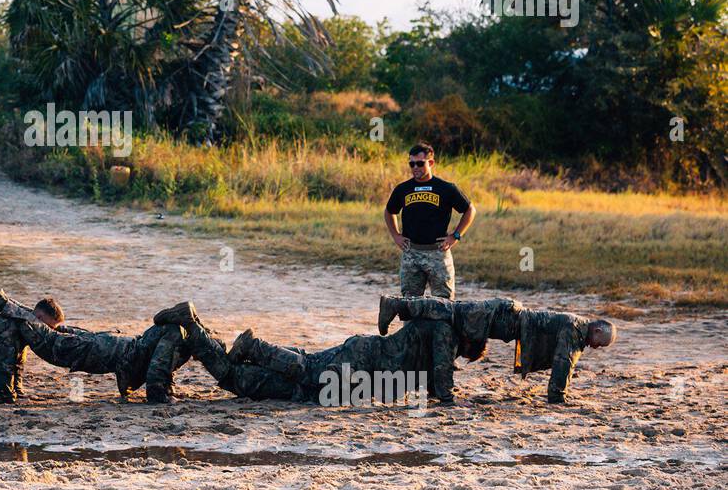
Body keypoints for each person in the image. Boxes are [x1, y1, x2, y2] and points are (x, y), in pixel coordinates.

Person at [153, 301, 471, 406]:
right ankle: (247, 344)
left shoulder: (433, 337)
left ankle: (193, 325)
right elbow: (440, 384)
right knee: (299, 370)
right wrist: (448, 398)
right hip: (356, 367)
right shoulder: (442, 341)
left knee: (306, 365)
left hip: (359, 358)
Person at [377, 295, 617, 404]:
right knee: (454, 312)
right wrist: (558, 398)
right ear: (596, 332)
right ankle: (397, 304)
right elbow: (564, 363)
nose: (596, 348)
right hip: (504, 316)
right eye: (599, 343)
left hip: (505, 317)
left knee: (455, 313)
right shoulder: (575, 329)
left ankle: (400, 305)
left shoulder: (576, 326)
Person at [0, 290, 192, 403]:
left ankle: (5, 301)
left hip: (95, 344)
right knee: (51, 338)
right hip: (92, 348)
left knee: (58, 334)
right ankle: (3, 302)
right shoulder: (157, 345)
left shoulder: (157, 345)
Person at [384, 141, 476, 299]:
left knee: (444, 303)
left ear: (431, 162)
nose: (415, 168)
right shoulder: (402, 189)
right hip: (411, 253)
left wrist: (455, 236)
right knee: (409, 303)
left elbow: (469, 210)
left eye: (420, 163)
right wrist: (396, 235)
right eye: (411, 164)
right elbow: (389, 211)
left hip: (438, 253)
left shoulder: (446, 188)